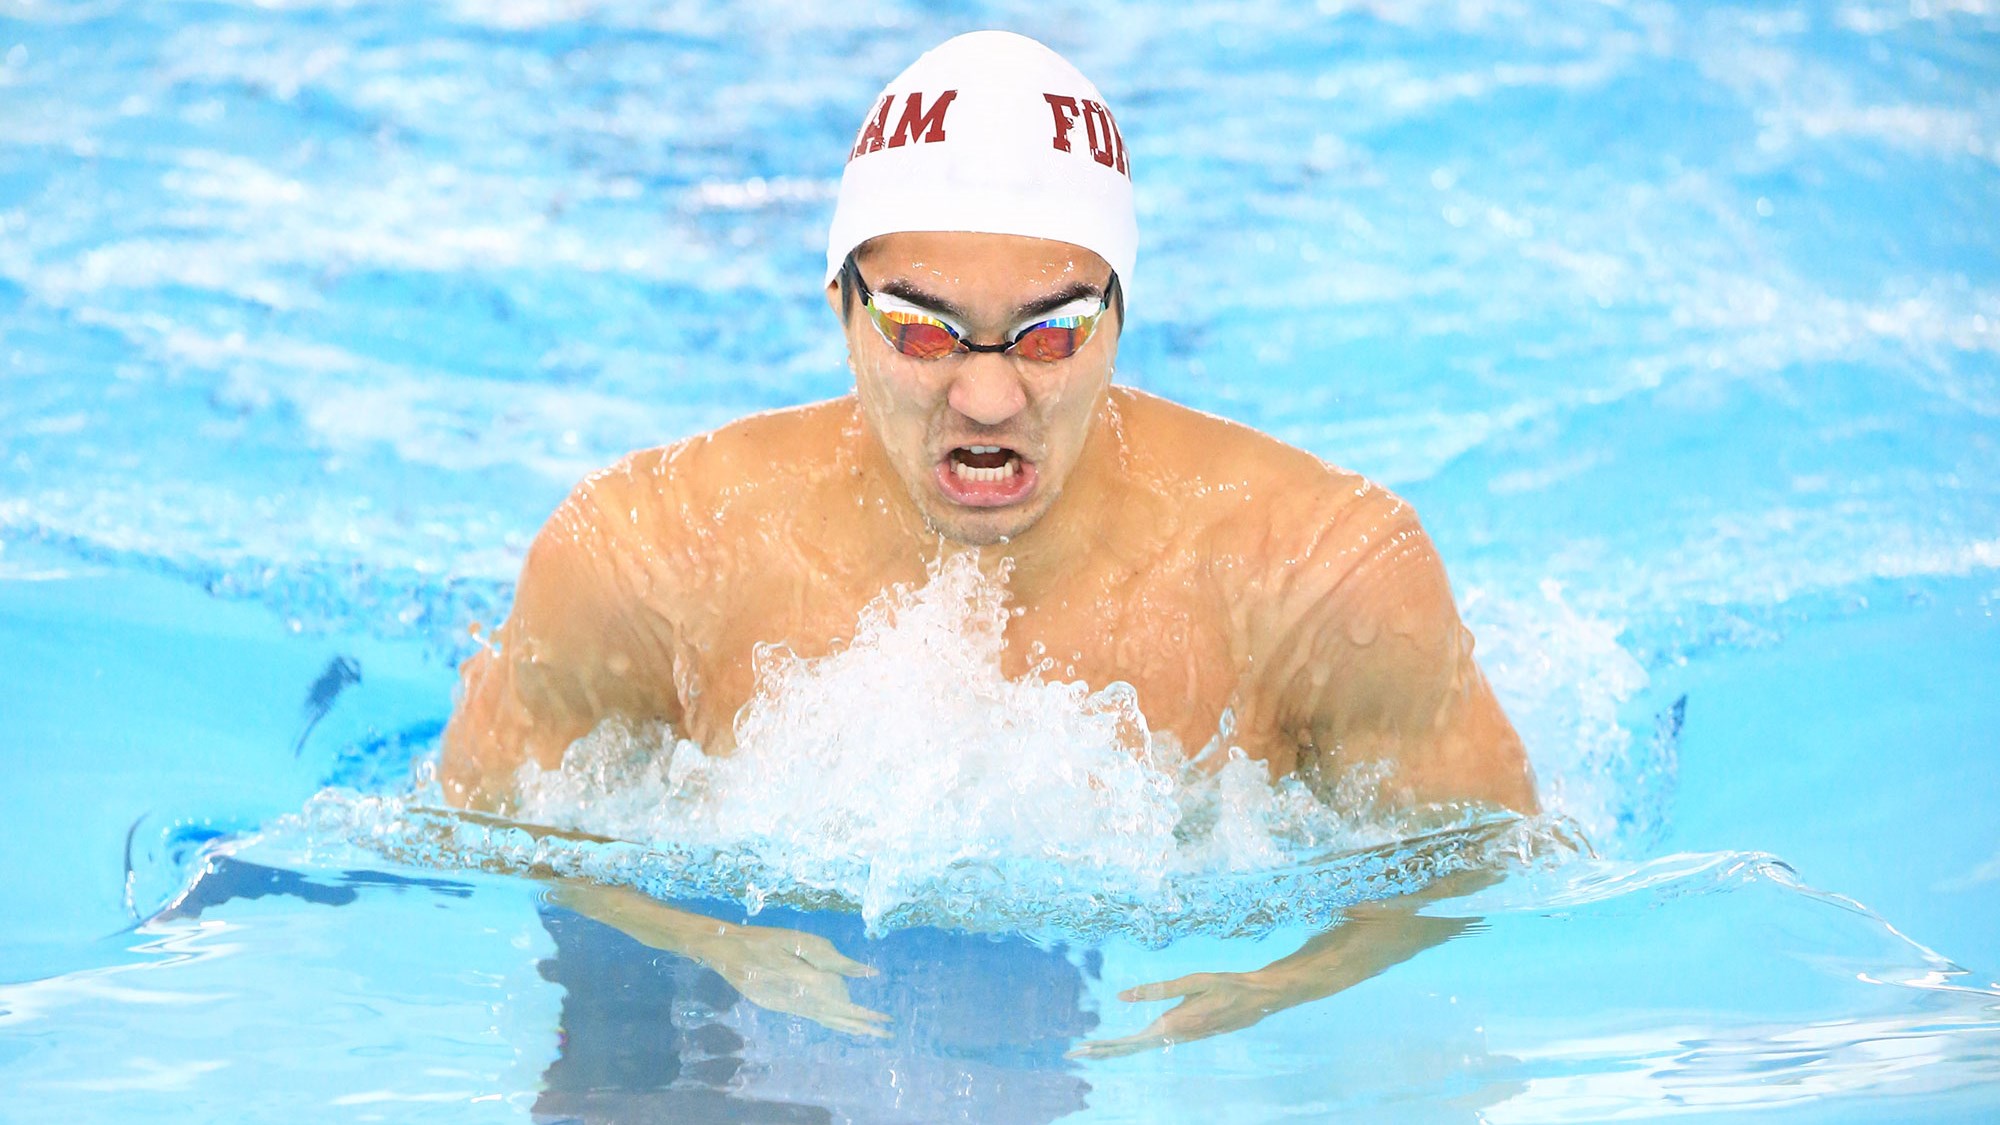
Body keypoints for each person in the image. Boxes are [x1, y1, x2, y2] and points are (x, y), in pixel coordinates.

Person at [439, 30, 1536, 1055]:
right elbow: (477, 833)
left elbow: (1489, 863)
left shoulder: (1318, 576)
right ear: (838, 309)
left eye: (1051, 332)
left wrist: (1275, 992)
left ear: (1120, 318)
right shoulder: (649, 554)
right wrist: (696, 939)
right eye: (919, 331)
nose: (987, 392)